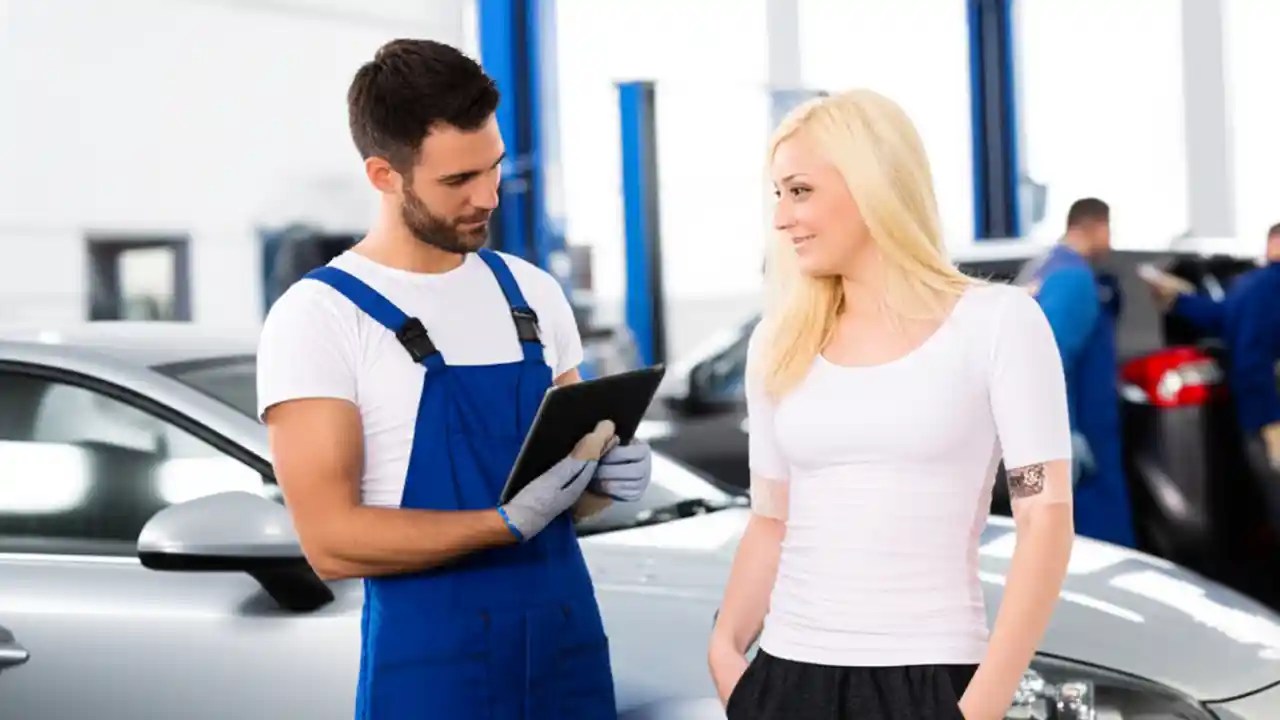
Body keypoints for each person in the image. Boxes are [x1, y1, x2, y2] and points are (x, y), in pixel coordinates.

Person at [256, 39, 652, 720]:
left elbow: (563, 498)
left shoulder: (531, 294)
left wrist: (603, 482)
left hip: (567, 656)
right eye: (458, 180)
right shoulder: (320, 316)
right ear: (384, 175)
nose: (487, 196)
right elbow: (330, 541)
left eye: (494, 167)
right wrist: (501, 525)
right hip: (435, 675)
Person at [707, 90, 1075, 720]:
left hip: (931, 679)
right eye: (778, 195)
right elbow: (770, 519)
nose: (782, 218)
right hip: (784, 678)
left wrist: (982, 706)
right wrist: (725, 652)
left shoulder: (998, 323)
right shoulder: (778, 341)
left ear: (870, 183)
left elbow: (1045, 520)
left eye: (800, 191)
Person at [1016, 198, 1137, 548]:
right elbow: (1048, 360)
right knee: (1099, 548)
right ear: (1097, 227)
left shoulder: (1043, 269)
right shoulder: (1075, 278)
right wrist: (1062, 434)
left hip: (1046, 434)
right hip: (1082, 434)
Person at [1141, 223, 1280, 522]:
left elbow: (1225, 319)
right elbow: (1230, 323)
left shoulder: (1253, 286)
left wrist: (1176, 300)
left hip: (1262, 411)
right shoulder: (1261, 286)